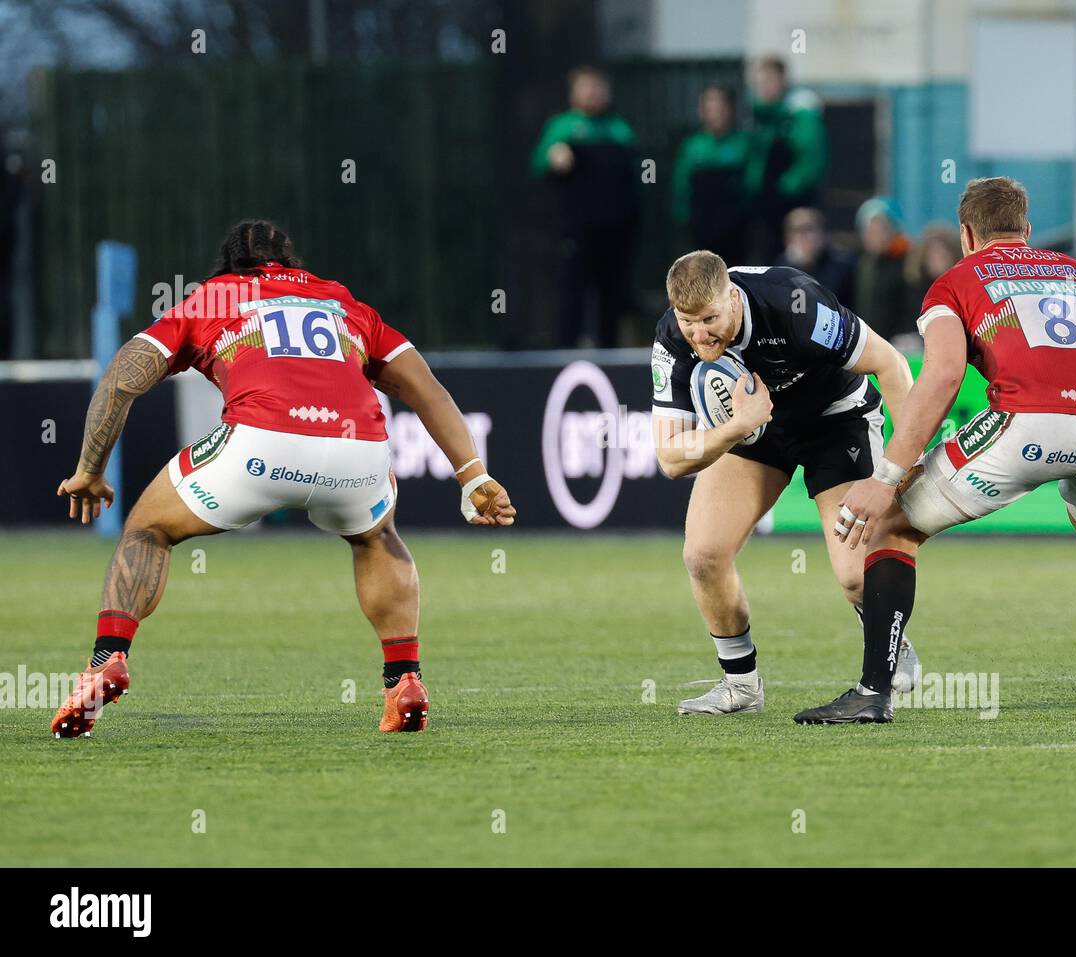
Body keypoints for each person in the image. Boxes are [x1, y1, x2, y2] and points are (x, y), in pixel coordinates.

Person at [50, 220, 516, 738]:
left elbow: (122, 377)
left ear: (227, 266)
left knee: (148, 528)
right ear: (292, 265)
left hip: (259, 446)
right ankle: (403, 679)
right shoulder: (342, 301)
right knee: (377, 536)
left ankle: (107, 658)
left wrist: (89, 471)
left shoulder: (212, 296)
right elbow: (425, 388)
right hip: (356, 452)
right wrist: (473, 475)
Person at [794, 177, 1076, 724]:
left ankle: (872, 692)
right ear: (1026, 231)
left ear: (965, 234)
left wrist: (885, 477)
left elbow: (942, 379)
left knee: (892, 526)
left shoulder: (954, 283)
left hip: (1027, 421)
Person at [651, 250, 920, 716]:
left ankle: (888, 639)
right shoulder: (673, 337)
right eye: (688, 321)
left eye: (710, 318)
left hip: (835, 422)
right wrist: (736, 427)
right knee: (703, 556)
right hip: (756, 430)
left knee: (856, 576)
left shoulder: (796, 304)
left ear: (732, 298)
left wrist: (902, 464)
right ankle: (741, 687)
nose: (699, 334)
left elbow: (891, 364)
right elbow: (672, 458)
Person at [530, 66, 641, 347]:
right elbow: (541, 161)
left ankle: (609, 351)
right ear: (573, 92)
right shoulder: (563, 126)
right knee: (571, 293)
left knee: (612, 295)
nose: (592, 92)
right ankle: (563, 352)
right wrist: (556, 155)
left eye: (597, 86)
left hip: (616, 230)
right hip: (576, 229)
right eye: (585, 86)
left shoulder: (620, 129)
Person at [748, 56, 828, 260]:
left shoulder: (800, 115)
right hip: (765, 205)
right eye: (761, 81)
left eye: (770, 80)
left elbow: (810, 159)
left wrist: (783, 189)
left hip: (791, 202)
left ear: (783, 81)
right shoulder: (760, 119)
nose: (765, 86)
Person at [672, 85, 752, 267]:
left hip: (736, 226)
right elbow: (681, 184)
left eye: (721, 108)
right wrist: (682, 215)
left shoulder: (744, 143)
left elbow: (752, 182)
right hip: (702, 225)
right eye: (710, 108)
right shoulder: (692, 146)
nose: (716, 113)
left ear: (731, 110)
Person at [853, 197, 911, 343]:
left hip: (899, 343)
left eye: (882, 230)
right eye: (871, 231)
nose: (876, 236)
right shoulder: (862, 264)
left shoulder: (907, 262)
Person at [774, 207, 856, 309]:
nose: (801, 237)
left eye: (807, 230)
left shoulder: (843, 265)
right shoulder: (781, 266)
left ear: (823, 234)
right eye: (795, 231)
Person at [904, 223, 962, 326]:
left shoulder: (961, 289)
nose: (937, 260)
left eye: (942, 256)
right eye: (932, 256)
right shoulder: (913, 288)